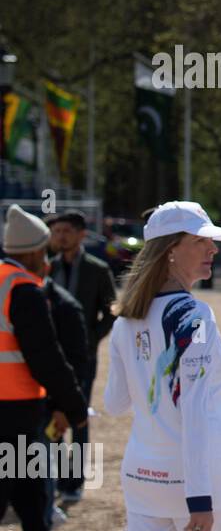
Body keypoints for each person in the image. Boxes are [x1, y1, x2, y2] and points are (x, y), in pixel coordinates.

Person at [89, 201, 221, 531]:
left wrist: (148, 380)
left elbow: (115, 404)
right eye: (201, 241)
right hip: (201, 479)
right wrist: (199, 499)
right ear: (170, 250)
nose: (212, 249)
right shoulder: (194, 317)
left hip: (143, 475)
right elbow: (194, 413)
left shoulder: (127, 320)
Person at [0, 204, 87, 531]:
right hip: (14, 412)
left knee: (32, 495)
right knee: (20, 493)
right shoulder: (24, 289)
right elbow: (46, 357)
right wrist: (73, 405)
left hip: (15, 412)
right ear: (34, 252)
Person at [47, 210, 117, 502]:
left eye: (66, 231)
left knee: (78, 417)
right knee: (50, 416)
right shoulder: (46, 267)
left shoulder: (97, 269)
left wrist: (90, 340)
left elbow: (112, 311)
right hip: (50, 356)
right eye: (56, 231)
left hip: (82, 357)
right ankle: (52, 478)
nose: (60, 236)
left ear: (81, 235)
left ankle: (73, 482)